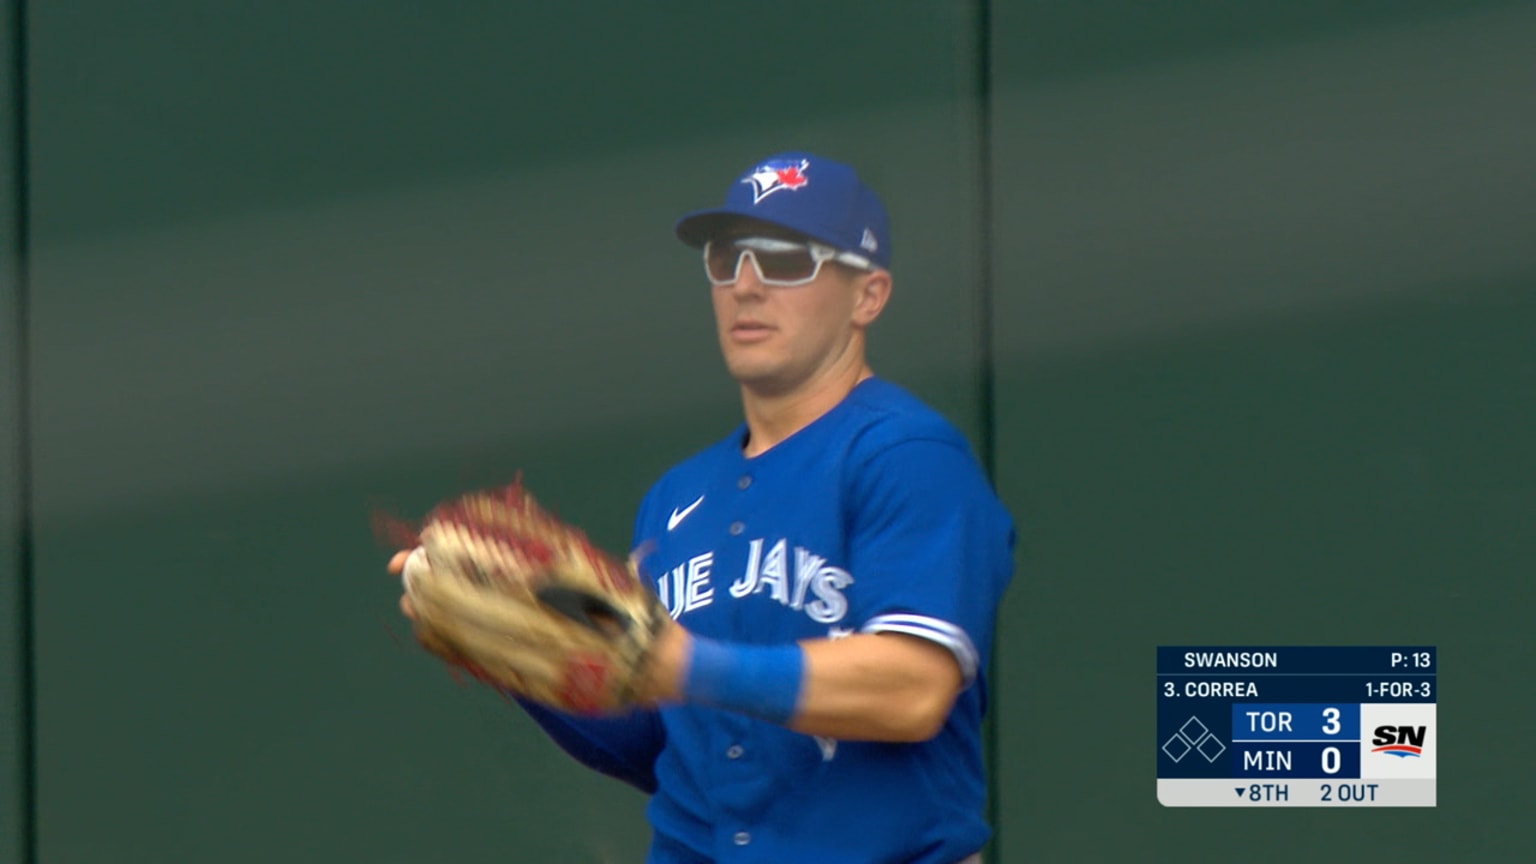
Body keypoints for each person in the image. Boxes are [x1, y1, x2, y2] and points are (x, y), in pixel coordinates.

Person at [393, 151, 1015, 864]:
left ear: (867, 295)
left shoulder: (903, 456)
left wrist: (683, 664)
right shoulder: (678, 497)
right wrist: (511, 653)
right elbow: (660, 749)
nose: (746, 286)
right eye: (727, 261)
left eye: (785, 261)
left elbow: (912, 691)